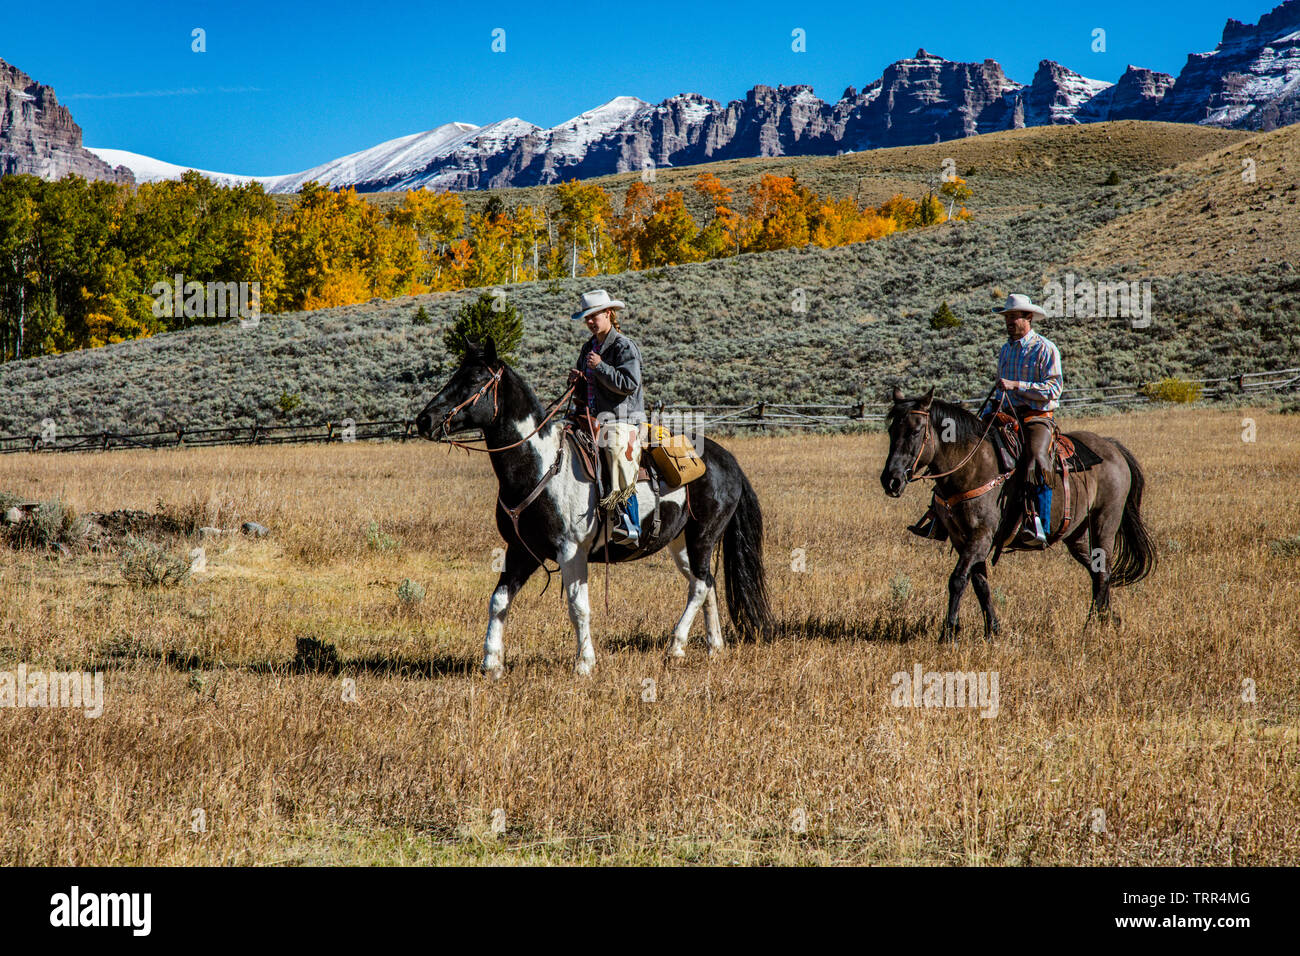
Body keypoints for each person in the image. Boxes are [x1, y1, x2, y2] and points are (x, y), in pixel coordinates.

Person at [569, 289, 646, 544]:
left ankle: (628, 521)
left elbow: (629, 383)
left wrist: (600, 366)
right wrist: (577, 381)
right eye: (587, 318)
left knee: (614, 449)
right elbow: (588, 388)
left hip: (622, 419)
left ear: (609, 314)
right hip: (589, 417)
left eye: (595, 316)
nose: (590, 322)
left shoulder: (624, 346)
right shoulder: (588, 348)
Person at [987, 293, 1063, 546]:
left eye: (1013, 317)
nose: (1009, 322)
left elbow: (1053, 389)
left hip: (1036, 416)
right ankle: (941, 515)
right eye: (1006, 317)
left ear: (1028, 317)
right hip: (1007, 413)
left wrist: (1017, 385)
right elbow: (1002, 387)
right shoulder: (1005, 350)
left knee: (1035, 457)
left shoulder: (1045, 348)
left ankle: (1040, 524)